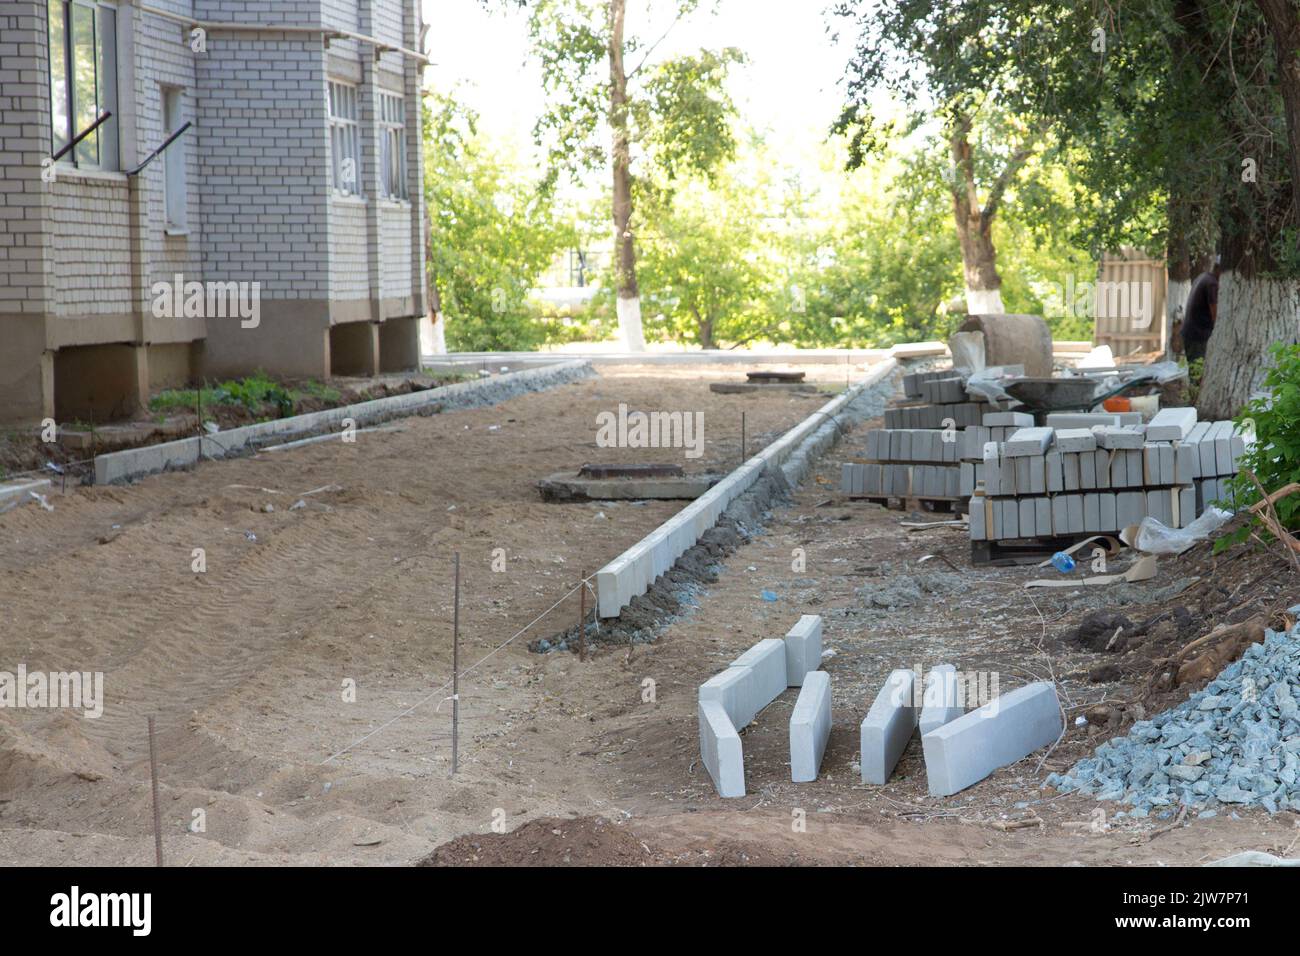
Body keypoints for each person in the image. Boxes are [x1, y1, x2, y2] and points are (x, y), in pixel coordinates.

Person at [1181, 260, 1220, 363]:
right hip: (1198, 335)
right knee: (1198, 371)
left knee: (1195, 369)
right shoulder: (1212, 284)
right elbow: (1214, 314)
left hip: (1190, 332)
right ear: (1219, 269)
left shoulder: (1203, 276)